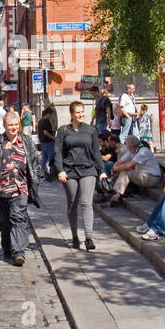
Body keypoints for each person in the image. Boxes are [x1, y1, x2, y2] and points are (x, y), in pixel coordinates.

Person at [0, 109, 41, 266]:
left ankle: (19, 252)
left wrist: (35, 179)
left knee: (18, 217)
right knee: (4, 222)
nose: (14, 128)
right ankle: (8, 248)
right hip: (1, 189)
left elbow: (34, 163)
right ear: (4, 125)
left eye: (16, 124)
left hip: (20, 187)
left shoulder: (27, 141)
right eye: (11, 125)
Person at [53, 100, 105, 250]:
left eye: (82, 111)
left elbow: (96, 151)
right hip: (69, 171)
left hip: (88, 169)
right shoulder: (63, 130)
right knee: (72, 204)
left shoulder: (91, 130)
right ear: (72, 114)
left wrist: (101, 170)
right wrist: (60, 170)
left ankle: (88, 237)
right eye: (77, 112)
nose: (81, 114)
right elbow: (58, 152)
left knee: (86, 203)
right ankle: (75, 235)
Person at [107, 136, 163, 205]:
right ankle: (113, 190)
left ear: (132, 146)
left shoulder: (143, 151)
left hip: (152, 178)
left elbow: (129, 165)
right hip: (142, 175)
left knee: (126, 172)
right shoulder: (132, 150)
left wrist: (116, 169)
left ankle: (117, 195)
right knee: (121, 170)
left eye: (127, 146)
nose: (127, 148)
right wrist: (114, 169)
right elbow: (120, 161)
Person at [35, 108, 56, 181]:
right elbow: (45, 132)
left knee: (44, 159)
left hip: (43, 142)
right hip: (48, 142)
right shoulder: (46, 121)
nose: (52, 116)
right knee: (51, 159)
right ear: (48, 114)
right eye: (51, 114)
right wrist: (54, 138)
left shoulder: (40, 121)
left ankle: (41, 173)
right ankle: (50, 174)